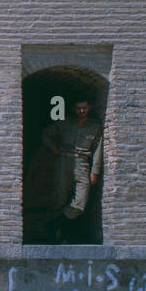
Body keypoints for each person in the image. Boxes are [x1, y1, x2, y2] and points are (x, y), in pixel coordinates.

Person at [41, 96, 103, 240]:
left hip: (83, 162)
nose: (81, 111)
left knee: (80, 204)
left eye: (84, 108)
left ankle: (53, 224)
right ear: (73, 109)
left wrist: (95, 171)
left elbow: (98, 150)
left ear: (89, 108)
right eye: (78, 108)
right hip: (64, 161)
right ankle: (56, 234)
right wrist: (53, 148)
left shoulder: (95, 127)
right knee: (59, 198)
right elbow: (45, 134)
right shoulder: (64, 124)